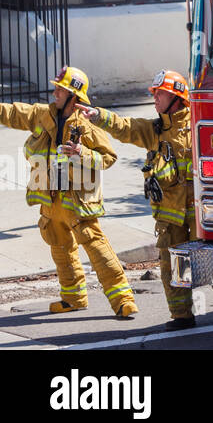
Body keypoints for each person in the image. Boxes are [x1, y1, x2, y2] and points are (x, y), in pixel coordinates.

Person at [0, 66, 138, 318]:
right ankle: (73, 297)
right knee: (60, 248)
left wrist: (81, 154)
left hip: (77, 200)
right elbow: (13, 113)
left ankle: (123, 299)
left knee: (96, 247)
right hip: (51, 199)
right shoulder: (43, 115)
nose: (54, 92)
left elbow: (108, 157)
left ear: (73, 94)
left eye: (60, 89)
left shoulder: (87, 123)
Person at [78, 70, 197, 330]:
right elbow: (126, 127)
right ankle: (182, 316)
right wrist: (98, 116)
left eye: (160, 93)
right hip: (170, 216)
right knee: (172, 266)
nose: (154, 98)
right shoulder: (154, 131)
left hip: (200, 215)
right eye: (154, 94)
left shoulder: (198, 126)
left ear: (176, 97)